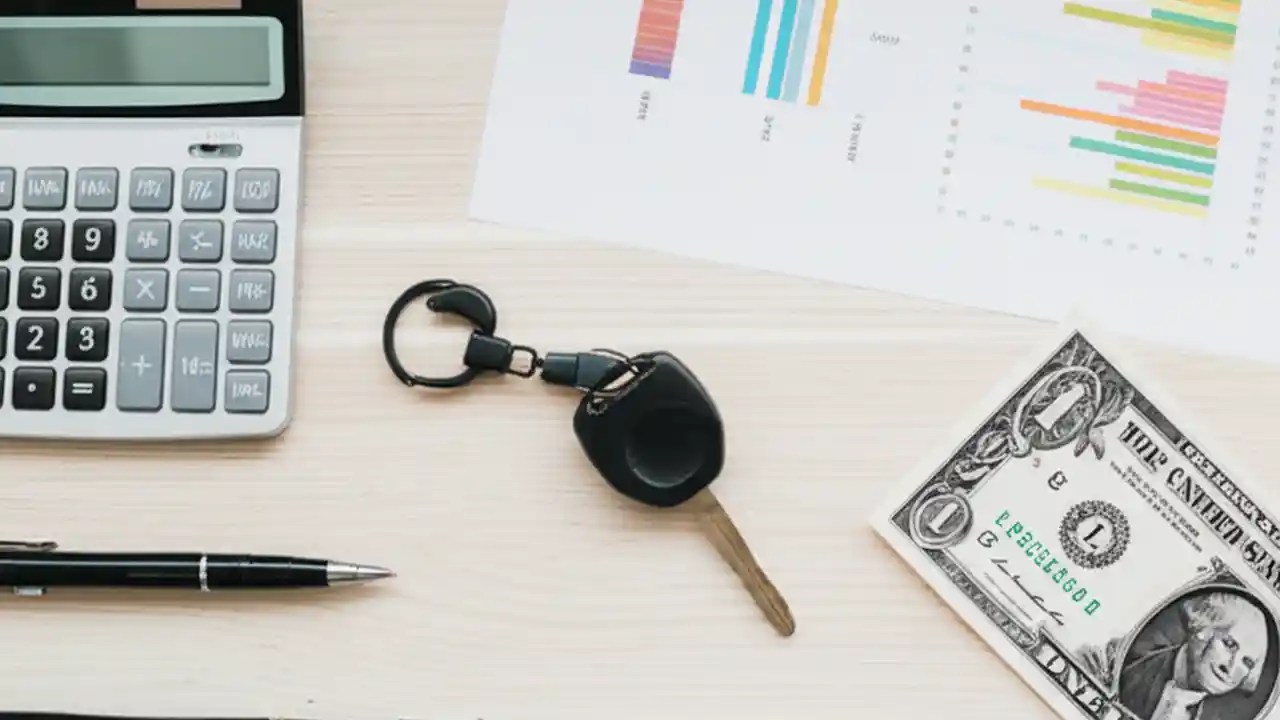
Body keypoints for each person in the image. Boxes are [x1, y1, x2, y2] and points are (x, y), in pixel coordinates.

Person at [1082, 591, 1270, 720]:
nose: (1230, 666)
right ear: (1202, 628)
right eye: (1229, 644)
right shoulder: (1121, 659)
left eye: (1247, 662)